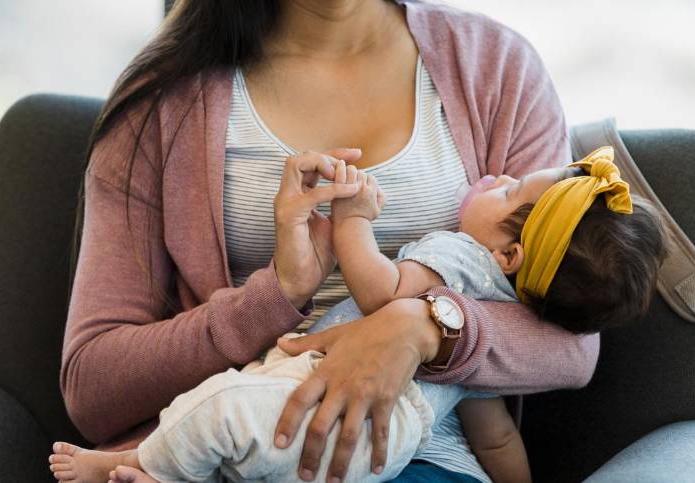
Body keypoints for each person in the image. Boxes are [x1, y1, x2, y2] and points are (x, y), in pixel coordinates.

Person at [51, 0, 601, 482]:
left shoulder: (495, 66)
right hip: (224, 448)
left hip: (426, 458)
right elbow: (91, 387)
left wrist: (422, 327)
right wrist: (275, 296)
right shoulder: (161, 97)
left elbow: (573, 346)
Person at [48, 147, 668, 483]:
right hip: (385, 450)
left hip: (327, 399)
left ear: (511, 255)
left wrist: (355, 218)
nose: (498, 178)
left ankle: (139, 464)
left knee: (222, 408)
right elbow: (496, 435)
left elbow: (380, 291)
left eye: (509, 192)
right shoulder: (501, 313)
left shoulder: (458, 254)